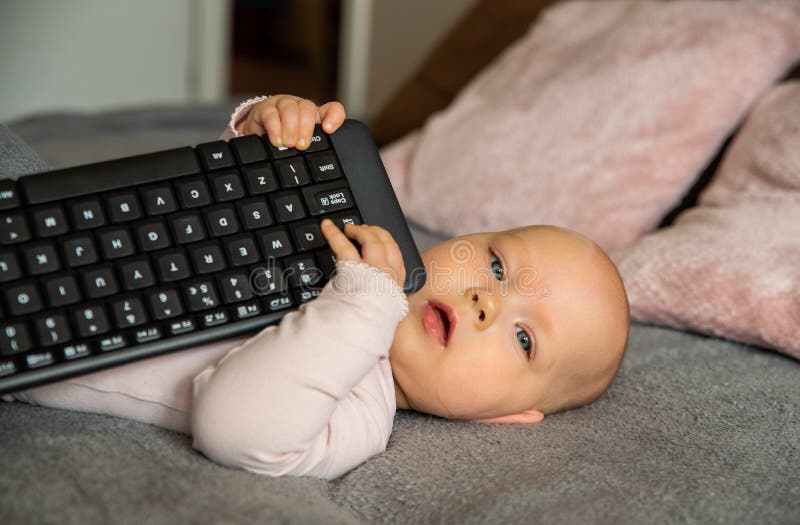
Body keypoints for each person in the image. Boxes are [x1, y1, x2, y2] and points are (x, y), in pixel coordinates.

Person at [4, 95, 630, 479]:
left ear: (508, 417)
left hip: (35, 326)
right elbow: (209, 209)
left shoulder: (360, 412)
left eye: (524, 338)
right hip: (65, 228)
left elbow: (237, 426)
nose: (487, 303)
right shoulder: (349, 238)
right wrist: (268, 132)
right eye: (495, 267)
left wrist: (366, 301)